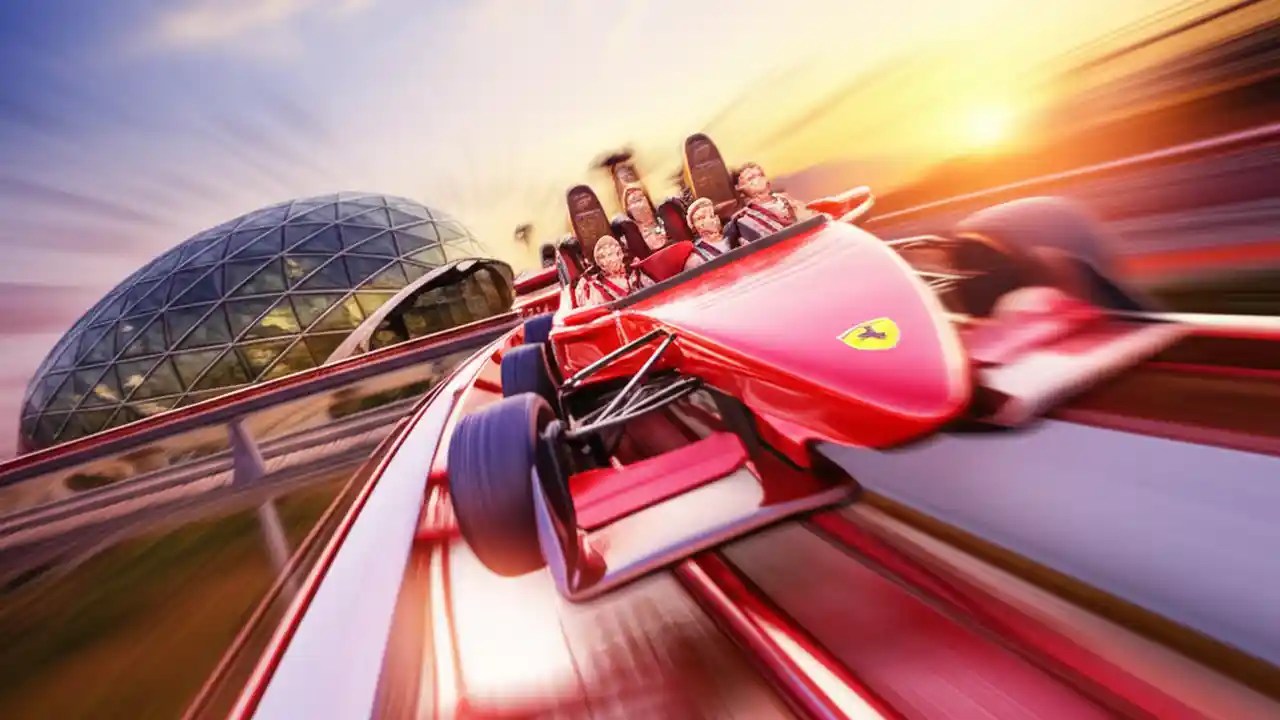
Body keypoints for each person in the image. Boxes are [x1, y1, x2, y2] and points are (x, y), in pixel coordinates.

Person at [728, 162, 812, 243]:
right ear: (739, 189)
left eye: (760, 175)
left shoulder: (786, 200)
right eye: (751, 178)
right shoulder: (743, 218)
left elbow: (810, 217)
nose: (758, 179)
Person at [574, 235, 635, 306]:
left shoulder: (635, 273)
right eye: (602, 257)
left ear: (620, 254)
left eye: (610, 254)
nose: (608, 260)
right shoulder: (594, 287)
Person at [622, 185, 669, 251]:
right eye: (634, 201)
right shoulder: (631, 236)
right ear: (628, 210)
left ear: (648, 201)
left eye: (640, 199)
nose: (639, 205)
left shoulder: (665, 217)